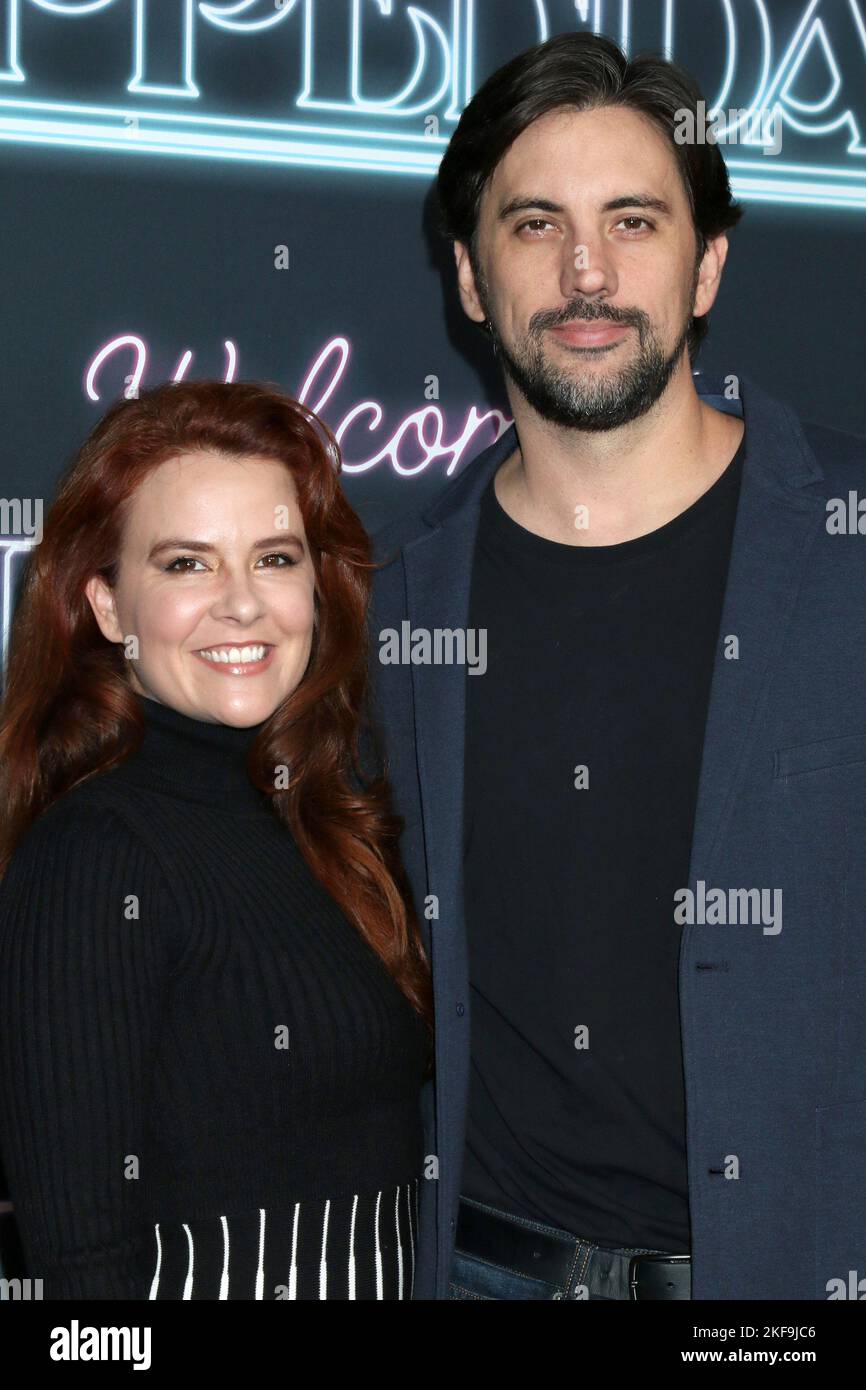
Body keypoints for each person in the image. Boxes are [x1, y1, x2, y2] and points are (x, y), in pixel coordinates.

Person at [367, 31, 866, 1300]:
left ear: (705, 266)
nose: (584, 271)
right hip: (484, 1270)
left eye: (632, 221)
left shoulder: (845, 538)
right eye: (533, 225)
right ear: (470, 280)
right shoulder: (398, 607)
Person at [0, 380, 432, 1299]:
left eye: (273, 558)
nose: (241, 605)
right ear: (109, 609)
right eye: (187, 565)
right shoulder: (94, 856)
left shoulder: (330, 818)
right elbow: (84, 1281)